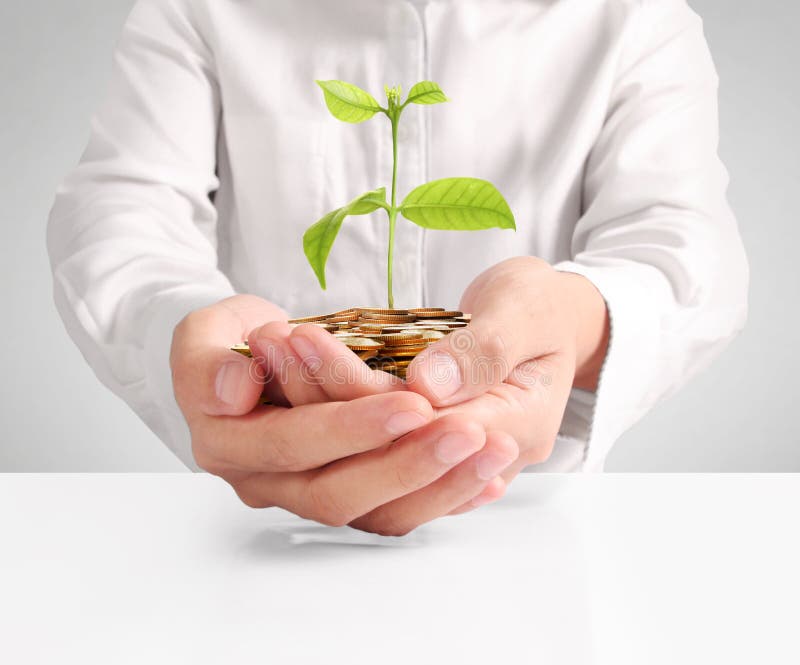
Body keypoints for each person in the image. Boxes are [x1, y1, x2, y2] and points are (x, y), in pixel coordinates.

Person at [47, 0, 748, 535]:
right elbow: (121, 214)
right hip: (265, 527)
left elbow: (680, 245)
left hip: (527, 521)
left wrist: (571, 322)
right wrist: (183, 333)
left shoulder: (632, 17)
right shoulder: (200, 9)